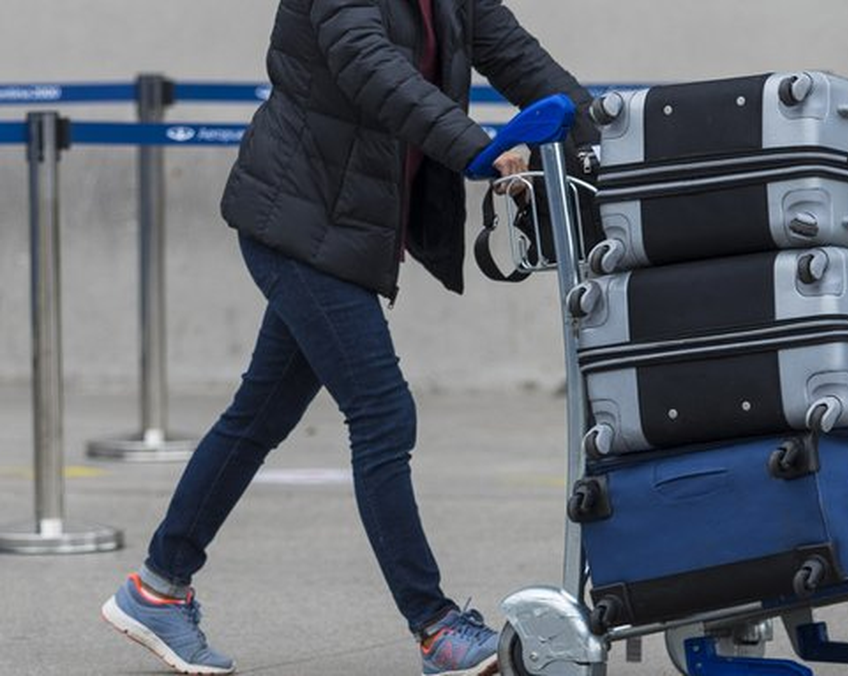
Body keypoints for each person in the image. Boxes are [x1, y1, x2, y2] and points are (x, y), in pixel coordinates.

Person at [100, 1, 595, 674]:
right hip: (297, 226)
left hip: (341, 234)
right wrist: (476, 147)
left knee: (258, 417)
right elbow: (375, 71)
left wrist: (603, 137)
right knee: (383, 413)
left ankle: (158, 586)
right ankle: (435, 626)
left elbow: (518, 58)